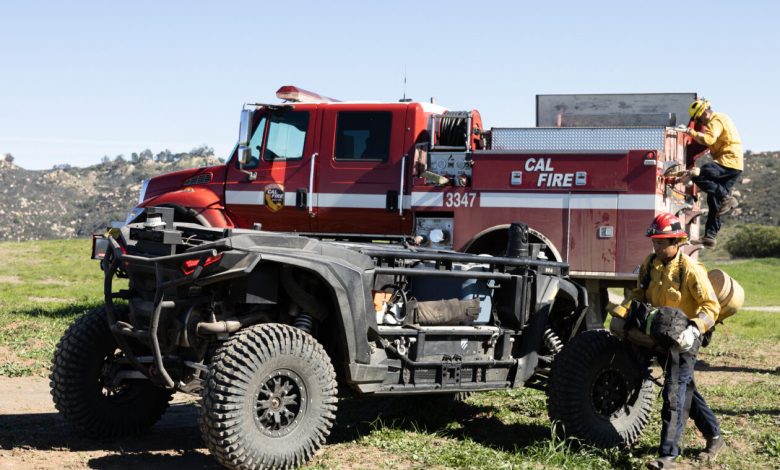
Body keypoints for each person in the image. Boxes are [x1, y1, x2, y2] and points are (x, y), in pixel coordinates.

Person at [610, 213, 724, 469]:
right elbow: (640, 293)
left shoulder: (691, 270)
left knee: (674, 393)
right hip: (660, 336)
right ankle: (715, 436)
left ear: (677, 241)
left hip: (686, 340)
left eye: (662, 242)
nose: (657, 247)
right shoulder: (650, 264)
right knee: (686, 390)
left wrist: (694, 330)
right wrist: (622, 313)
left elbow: (711, 306)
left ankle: (668, 456)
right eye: (655, 242)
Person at [685, 99, 743, 248]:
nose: (701, 122)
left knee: (700, 174)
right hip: (735, 164)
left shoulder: (715, 121)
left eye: (699, 119)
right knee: (714, 202)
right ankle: (710, 236)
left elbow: (709, 139)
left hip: (727, 162)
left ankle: (727, 197)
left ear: (704, 113)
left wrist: (690, 131)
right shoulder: (723, 117)